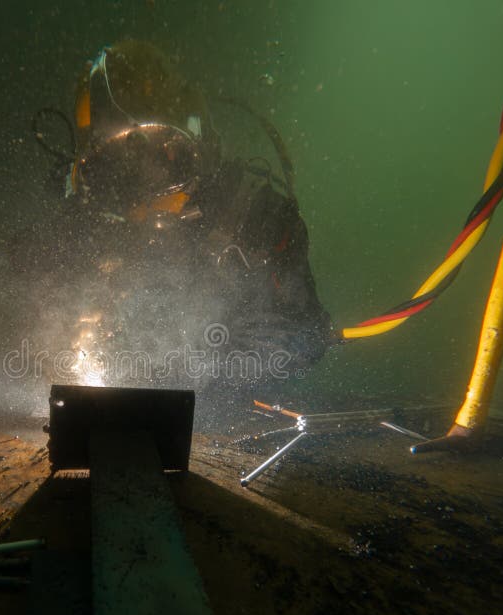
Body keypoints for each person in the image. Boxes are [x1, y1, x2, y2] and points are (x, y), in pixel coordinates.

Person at [28, 39, 333, 394]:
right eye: (116, 171)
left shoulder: (259, 219)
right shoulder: (88, 226)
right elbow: (38, 300)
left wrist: (205, 363)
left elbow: (307, 336)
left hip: (229, 410)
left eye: (167, 158)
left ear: (202, 149)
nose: (150, 192)